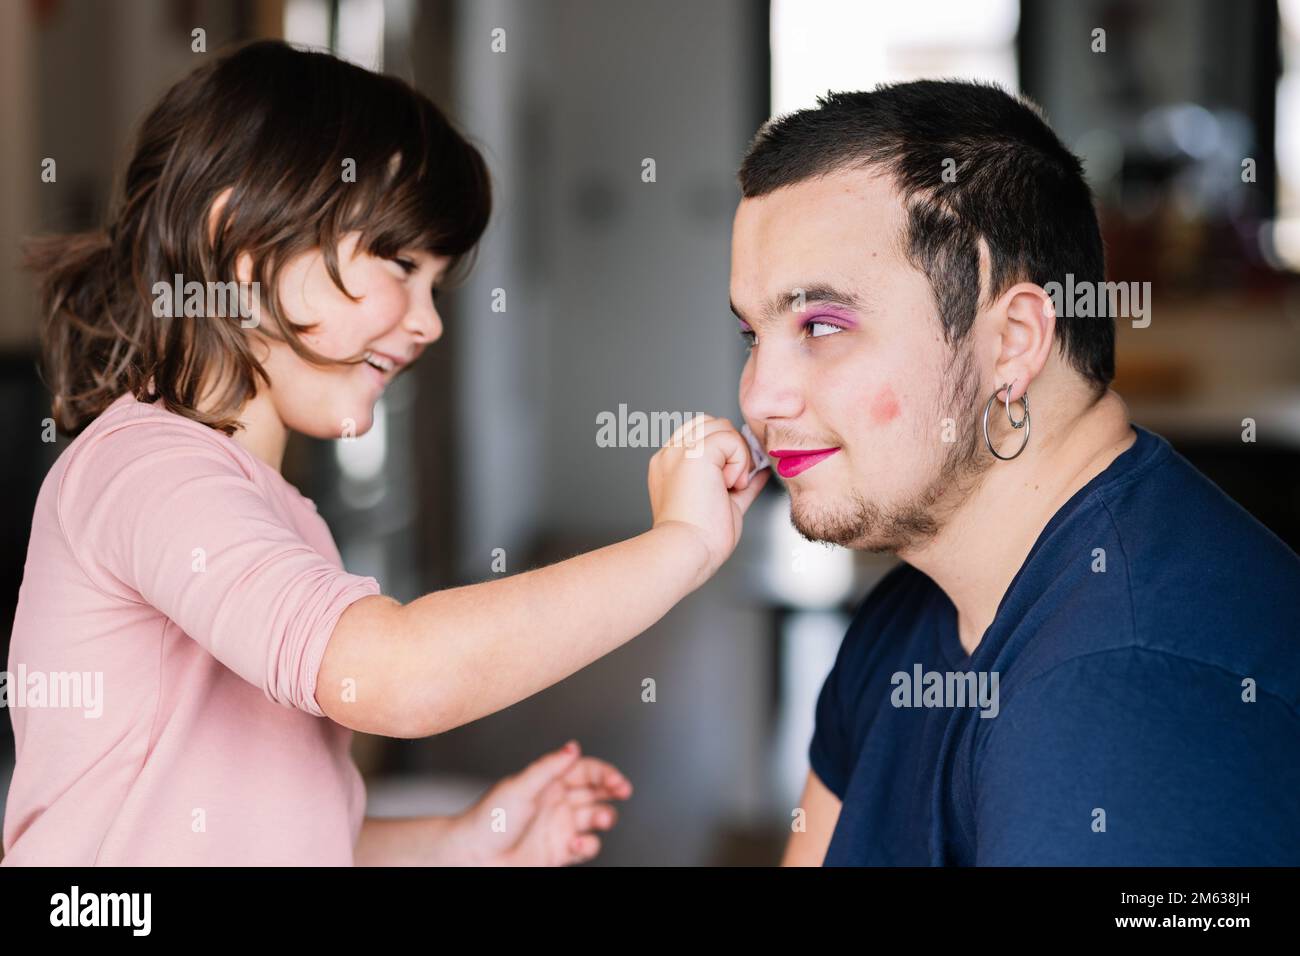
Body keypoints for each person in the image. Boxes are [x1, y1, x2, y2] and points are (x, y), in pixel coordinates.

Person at [3, 40, 765, 866]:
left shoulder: (269, 509)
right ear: (240, 244)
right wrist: (677, 548)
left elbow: (278, 839)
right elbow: (396, 676)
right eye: (398, 263)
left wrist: (464, 841)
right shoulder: (149, 469)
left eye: (436, 282)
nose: (429, 320)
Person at [726, 81, 1300, 865]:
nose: (758, 396)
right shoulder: (909, 618)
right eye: (754, 333)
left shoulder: (1122, 707)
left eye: (822, 325)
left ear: (1015, 340)